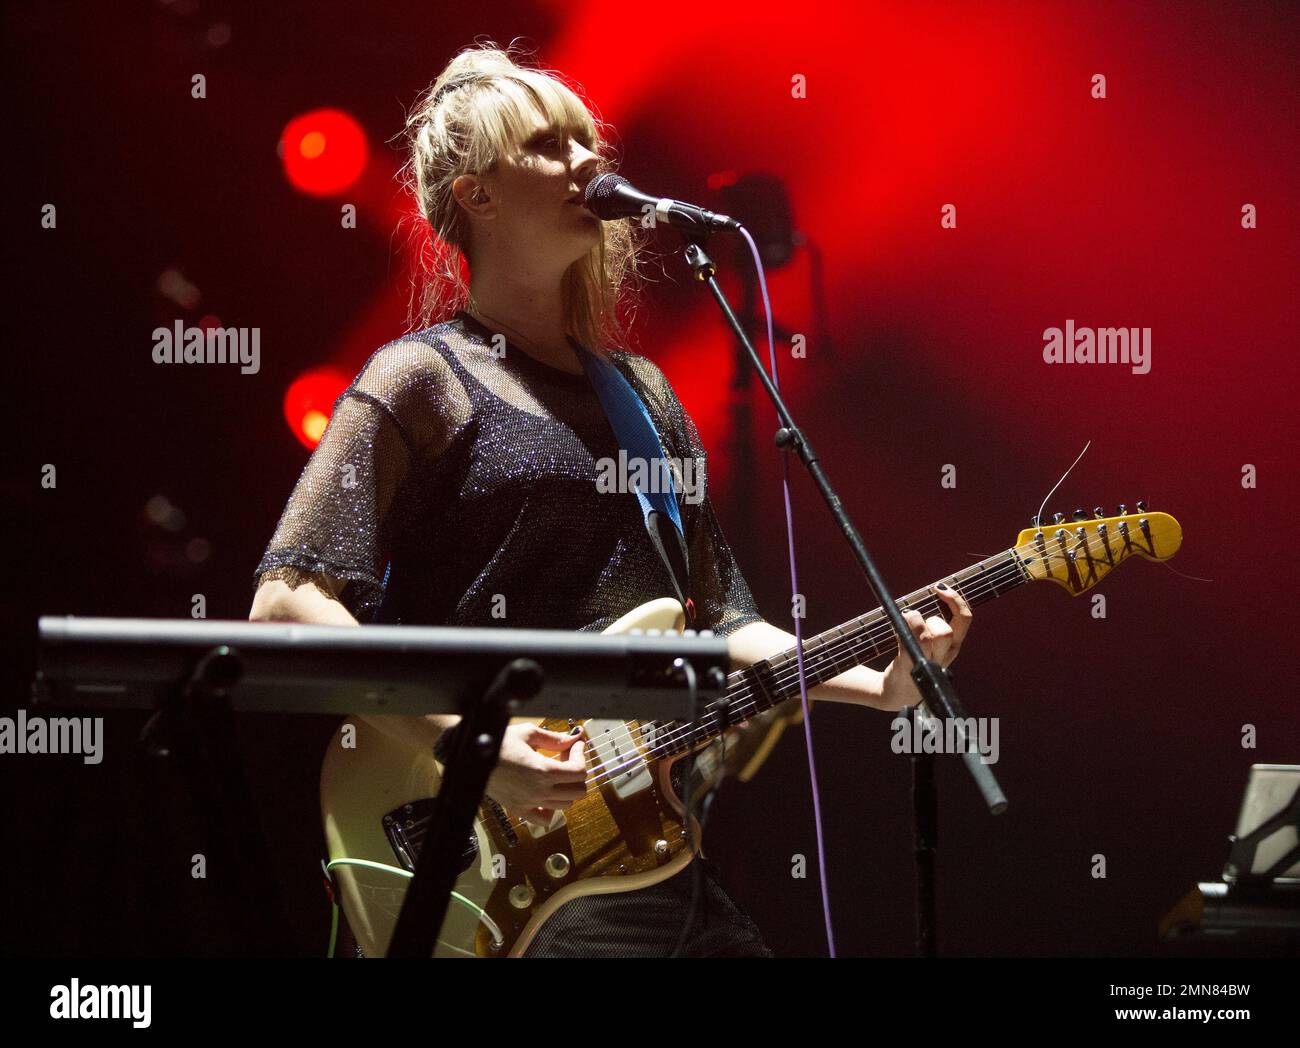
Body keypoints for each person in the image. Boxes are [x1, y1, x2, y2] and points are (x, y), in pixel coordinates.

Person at [248, 42, 972, 957]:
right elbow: (289, 603)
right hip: (499, 860)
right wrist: (468, 748)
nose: (589, 160)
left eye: (589, 140)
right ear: (475, 195)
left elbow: (722, 620)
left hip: (647, 856)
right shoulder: (422, 379)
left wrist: (878, 681)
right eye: (550, 145)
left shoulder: (643, 395)